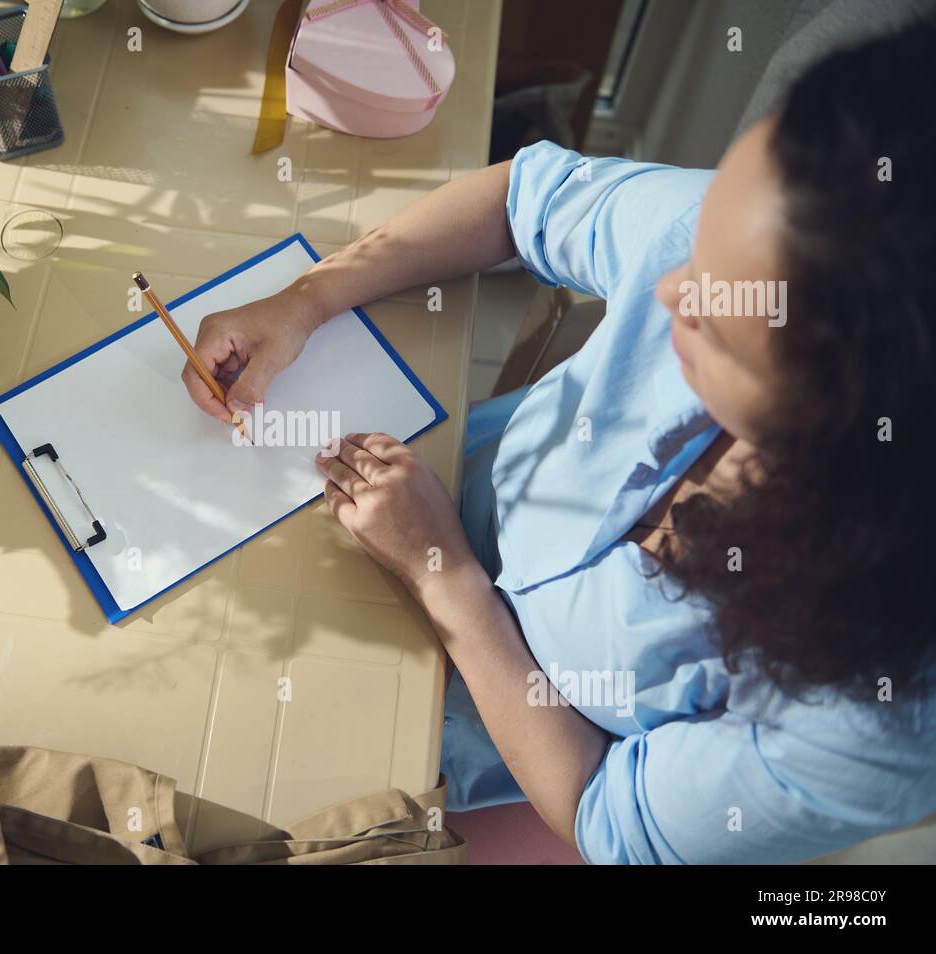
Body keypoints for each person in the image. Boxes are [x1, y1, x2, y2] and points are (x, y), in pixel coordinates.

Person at [180, 20, 936, 863]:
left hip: (471, 754)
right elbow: (523, 200)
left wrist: (449, 581)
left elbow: (611, 819)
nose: (669, 287)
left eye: (715, 324)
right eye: (704, 235)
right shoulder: (777, 232)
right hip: (401, 514)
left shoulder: (876, 718)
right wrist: (309, 297)